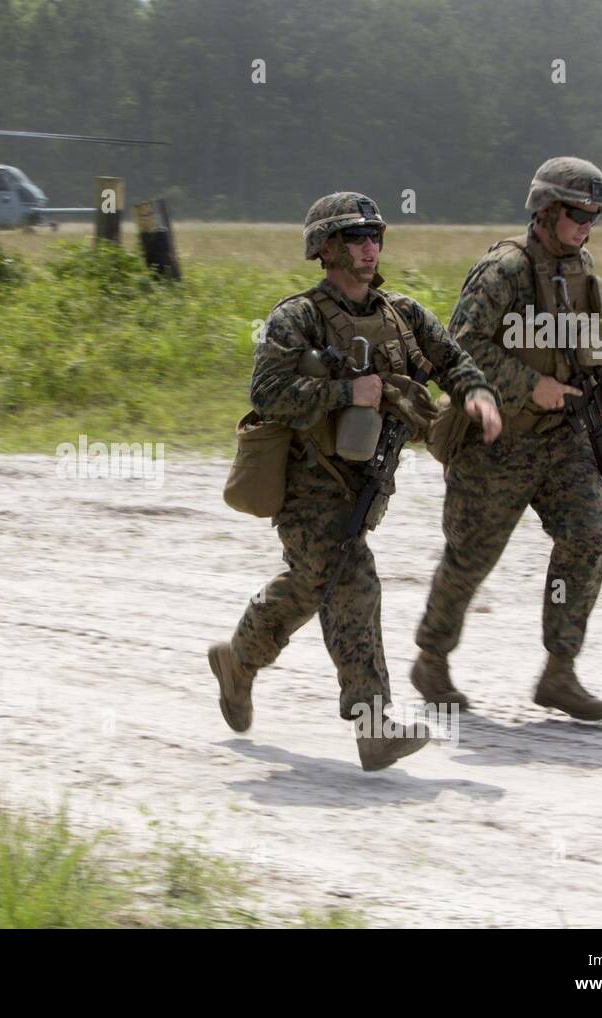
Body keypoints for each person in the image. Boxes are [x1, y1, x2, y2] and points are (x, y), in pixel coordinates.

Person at [209, 192, 502, 771]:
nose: (370, 247)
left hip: (366, 480)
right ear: (325, 249)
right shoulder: (298, 317)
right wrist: (348, 391)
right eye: (355, 237)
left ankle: (238, 660)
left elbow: (452, 358)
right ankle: (374, 727)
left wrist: (478, 394)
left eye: (375, 236)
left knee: (309, 589)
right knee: (355, 588)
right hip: (307, 483)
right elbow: (266, 394)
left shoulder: (403, 314)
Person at [411, 157, 602, 721]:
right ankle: (431, 659)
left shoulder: (581, 267)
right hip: (495, 441)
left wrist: (596, 387)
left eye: (595, 215)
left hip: (561, 440)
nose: (587, 225)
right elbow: (458, 348)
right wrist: (531, 386)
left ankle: (559, 670)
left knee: (589, 536)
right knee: (471, 556)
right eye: (578, 214)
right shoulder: (503, 269)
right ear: (546, 211)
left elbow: (583, 341)